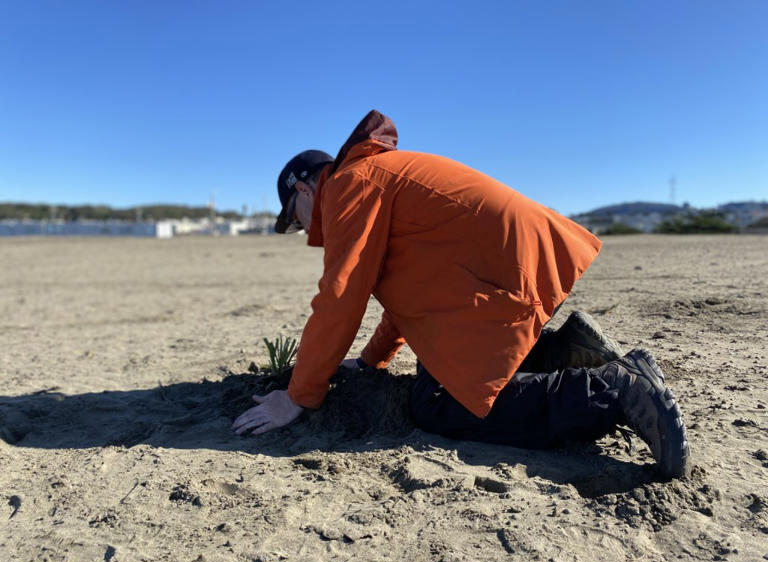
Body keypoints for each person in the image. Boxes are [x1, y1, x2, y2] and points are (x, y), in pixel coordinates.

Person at [233, 110, 691, 479]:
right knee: (450, 369)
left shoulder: (353, 183)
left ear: (303, 186)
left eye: (295, 219)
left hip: (497, 278)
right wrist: (372, 362)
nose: (304, 230)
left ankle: (616, 388)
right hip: (511, 266)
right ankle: (564, 352)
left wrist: (297, 395)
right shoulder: (374, 174)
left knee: (438, 404)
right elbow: (406, 296)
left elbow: (340, 296)